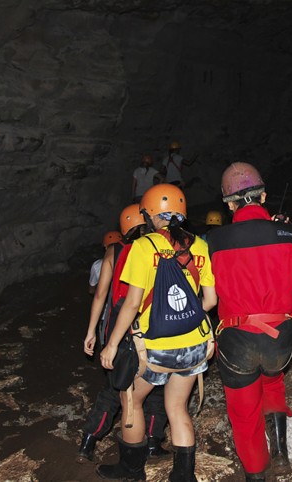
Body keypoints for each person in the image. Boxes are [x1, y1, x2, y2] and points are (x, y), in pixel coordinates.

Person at [99, 185, 216, 482]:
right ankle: (184, 477)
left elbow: (132, 304)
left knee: (131, 401)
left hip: (154, 347)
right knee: (177, 407)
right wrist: (185, 318)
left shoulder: (142, 247)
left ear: (149, 215)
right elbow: (211, 301)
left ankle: (132, 469)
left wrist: (112, 344)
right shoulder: (200, 246)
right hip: (195, 342)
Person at [206, 162, 292, 482]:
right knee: (272, 379)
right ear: (263, 195)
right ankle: (280, 453)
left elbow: (207, 295)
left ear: (228, 203)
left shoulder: (212, 241)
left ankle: (255, 473)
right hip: (280, 335)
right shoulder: (290, 235)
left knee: (243, 410)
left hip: (237, 338)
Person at [81, 206, 169, 462]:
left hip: (119, 331)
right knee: (157, 388)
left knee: (114, 389)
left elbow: (100, 294)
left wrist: (92, 332)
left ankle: (88, 442)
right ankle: (152, 442)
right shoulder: (156, 249)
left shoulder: (114, 251)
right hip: (152, 329)